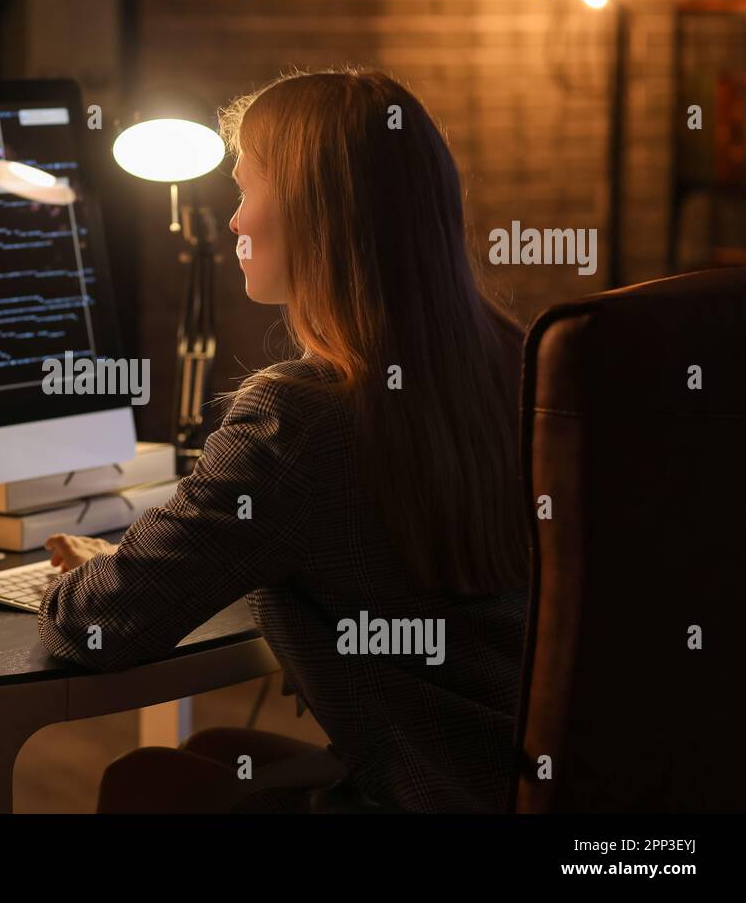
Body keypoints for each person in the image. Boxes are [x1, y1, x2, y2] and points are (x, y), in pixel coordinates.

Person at [37, 67, 530, 813]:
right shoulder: (516, 363)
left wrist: (75, 582)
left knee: (145, 783)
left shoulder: (296, 419)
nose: (233, 221)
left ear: (313, 213)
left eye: (247, 190)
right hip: (521, 779)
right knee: (210, 755)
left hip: (421, 790)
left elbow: (96, 625)